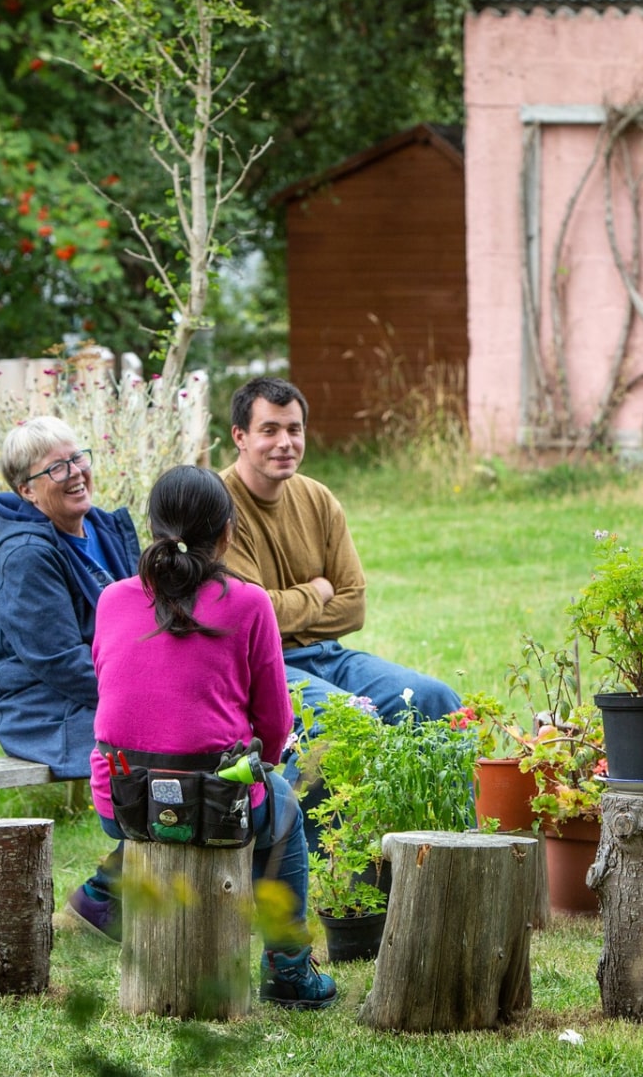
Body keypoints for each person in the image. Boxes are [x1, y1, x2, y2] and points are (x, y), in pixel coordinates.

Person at [86, 465, 336, 1009]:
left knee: (223, 798)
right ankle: (289, 968)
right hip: (217, 802)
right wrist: (260, 766)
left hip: (123, 802)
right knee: (283, 806)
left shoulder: (112, 601)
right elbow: (273, 726)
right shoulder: (249, 603)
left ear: (153, 528)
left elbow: (113, 690)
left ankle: (106, 897)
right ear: (227, 533)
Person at [219, 377, 461, 727]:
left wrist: (285, 611)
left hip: (328, 655)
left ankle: (443, 785)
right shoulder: (220, 506)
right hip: (260, 666)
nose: (284, 443)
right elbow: (252, 619)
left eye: (294, 429)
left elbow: (353, 608)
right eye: (269, 430)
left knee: (435, 699)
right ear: (239, 436)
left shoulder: (318, 499)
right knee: (349, 720)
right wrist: (317, 591)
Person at [0, 416, 139, 931]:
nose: (75, 473)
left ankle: (127, 892)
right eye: (56, 468)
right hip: (49, 710)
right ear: (26, 491)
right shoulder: (26, 557)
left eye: (78, 458)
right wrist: (143, 694)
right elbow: (59, 662)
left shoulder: (102, 530)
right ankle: (103, 898)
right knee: (170, 753)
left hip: (110, 693)